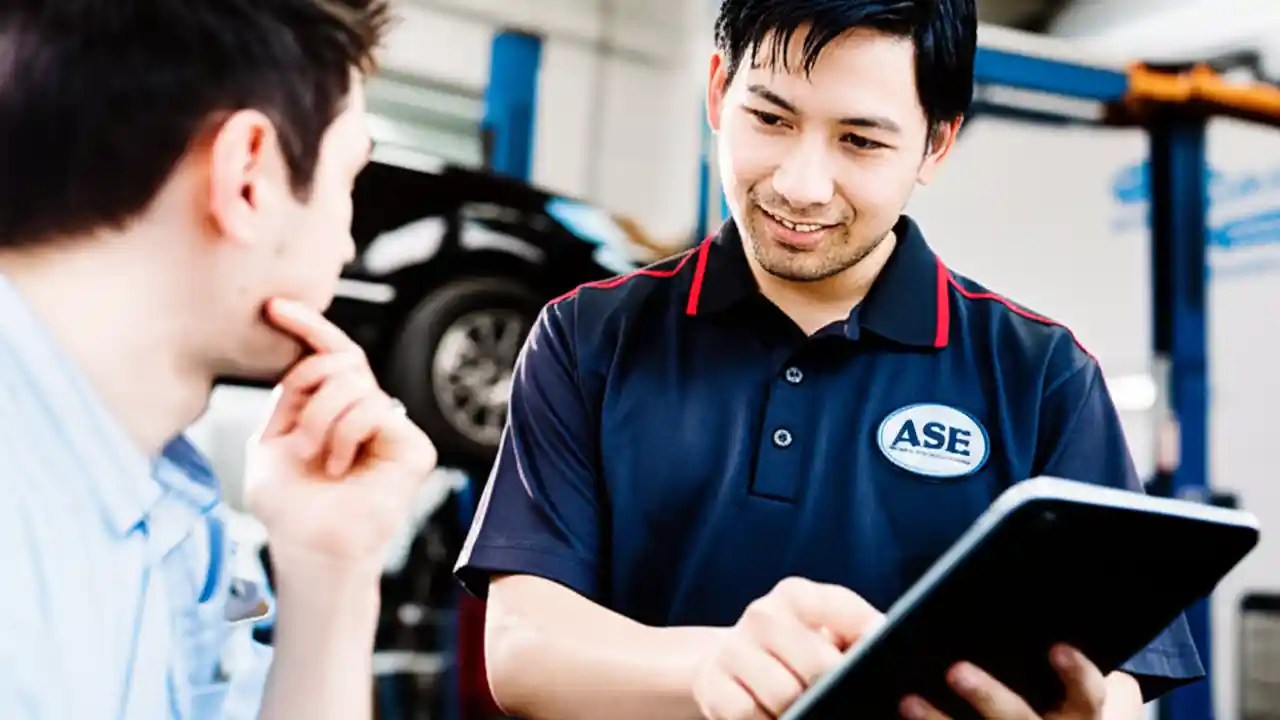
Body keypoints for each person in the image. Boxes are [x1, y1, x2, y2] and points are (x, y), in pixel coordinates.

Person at [454, 1, 1205, 718]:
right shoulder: (588, 337)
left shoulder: (1040, 374)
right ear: (719, 90)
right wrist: (716, 671)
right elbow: (524, 649)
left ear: (936, 144)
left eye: (860, 141)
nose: (800, 185)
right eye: (771, 119)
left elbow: (1119, 679)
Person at [0, 1, 439, 718]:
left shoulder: (181, 522)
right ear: (247, 177)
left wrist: (332, 572)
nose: (348, 248)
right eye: (349, 183)